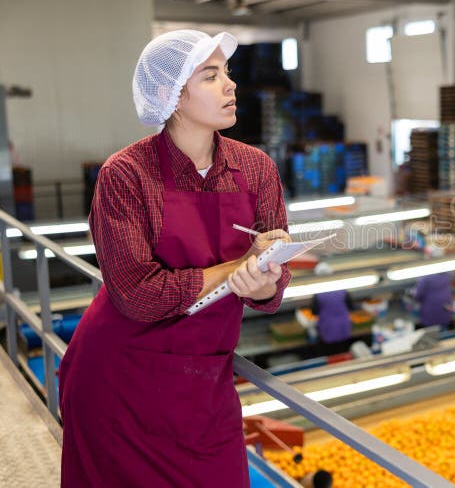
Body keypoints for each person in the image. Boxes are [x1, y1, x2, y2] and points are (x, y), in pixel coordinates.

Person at [59, 30, 292, 487]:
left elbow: (272, 280)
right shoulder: (125, 175)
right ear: (172, 95)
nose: (231, 85)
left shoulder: (257, 168)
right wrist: (237, 266)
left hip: (204, 381)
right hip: (117, 382)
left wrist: (265, 283)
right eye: (211, 76)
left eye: (226, 73)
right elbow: (137, 295)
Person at [414, 246, 455, 328]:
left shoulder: (426, 275)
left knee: (432, 331)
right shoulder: (449, 271)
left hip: (431, 310)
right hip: (446, 306)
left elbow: (418, 295)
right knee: (443, 326)